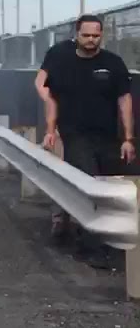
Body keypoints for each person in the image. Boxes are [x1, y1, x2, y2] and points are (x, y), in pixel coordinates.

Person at [39, 14, 134, 254]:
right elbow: (51, 100)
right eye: (86, 35)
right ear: (77, 35)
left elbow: (125, 100)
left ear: (102, 35)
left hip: (107, 136)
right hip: (74, 135)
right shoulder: (62, 63)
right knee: (87, 183)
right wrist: (51, 131)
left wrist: (128, 139)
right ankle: (90, 247)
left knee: (109, 188)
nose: (91, 40)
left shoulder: (113, 63)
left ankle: (110, 241)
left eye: (96, 36)